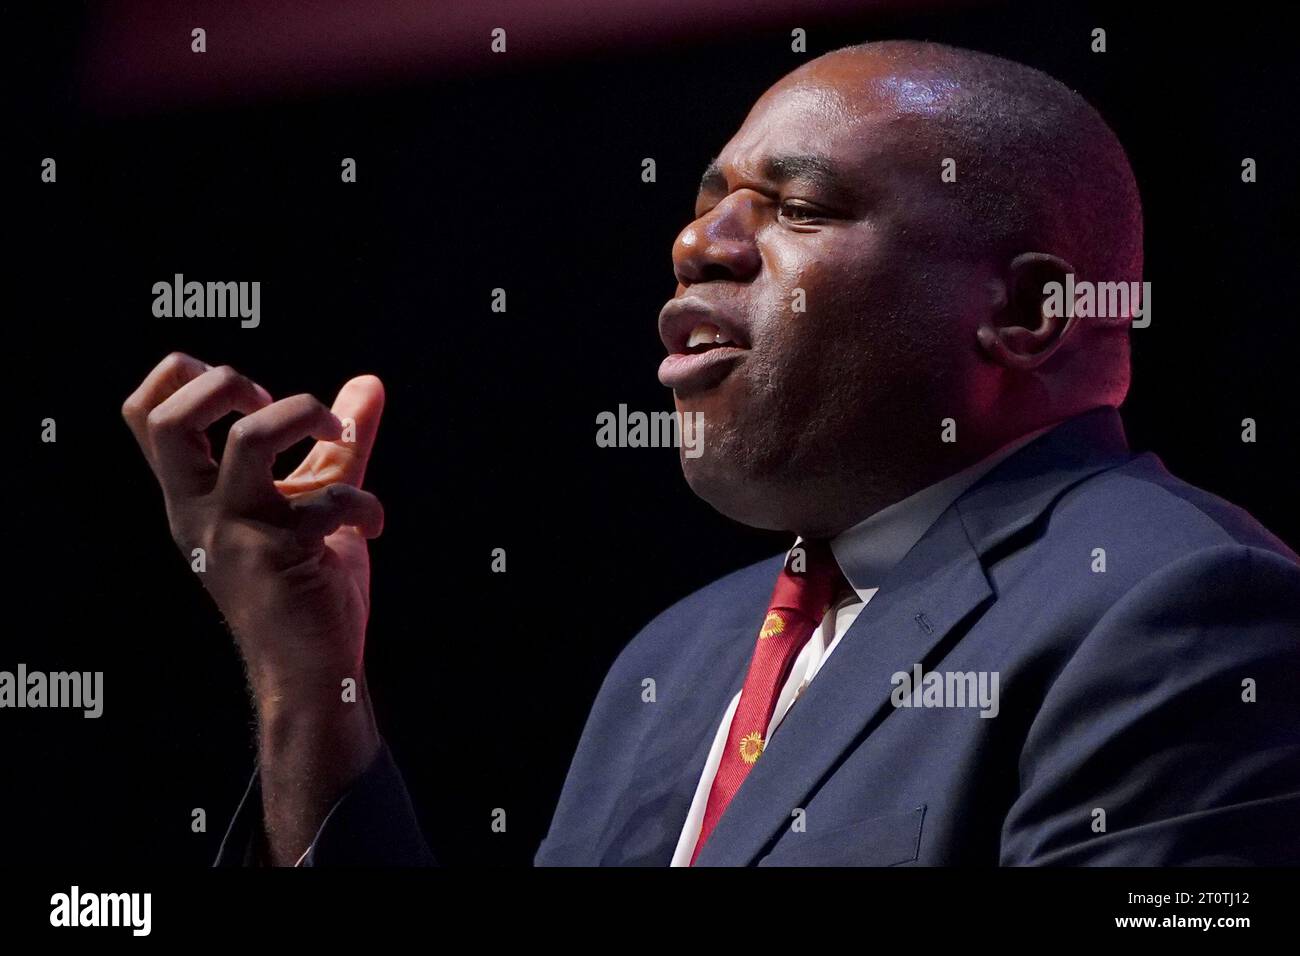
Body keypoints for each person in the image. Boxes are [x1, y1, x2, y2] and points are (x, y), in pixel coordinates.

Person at [121, 40, 1300, 866]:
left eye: (794, 208)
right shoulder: (680, 659)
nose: (695, 243)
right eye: (703, 204)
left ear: (1028, 313)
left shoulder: (1177, 605)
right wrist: (298, 663)